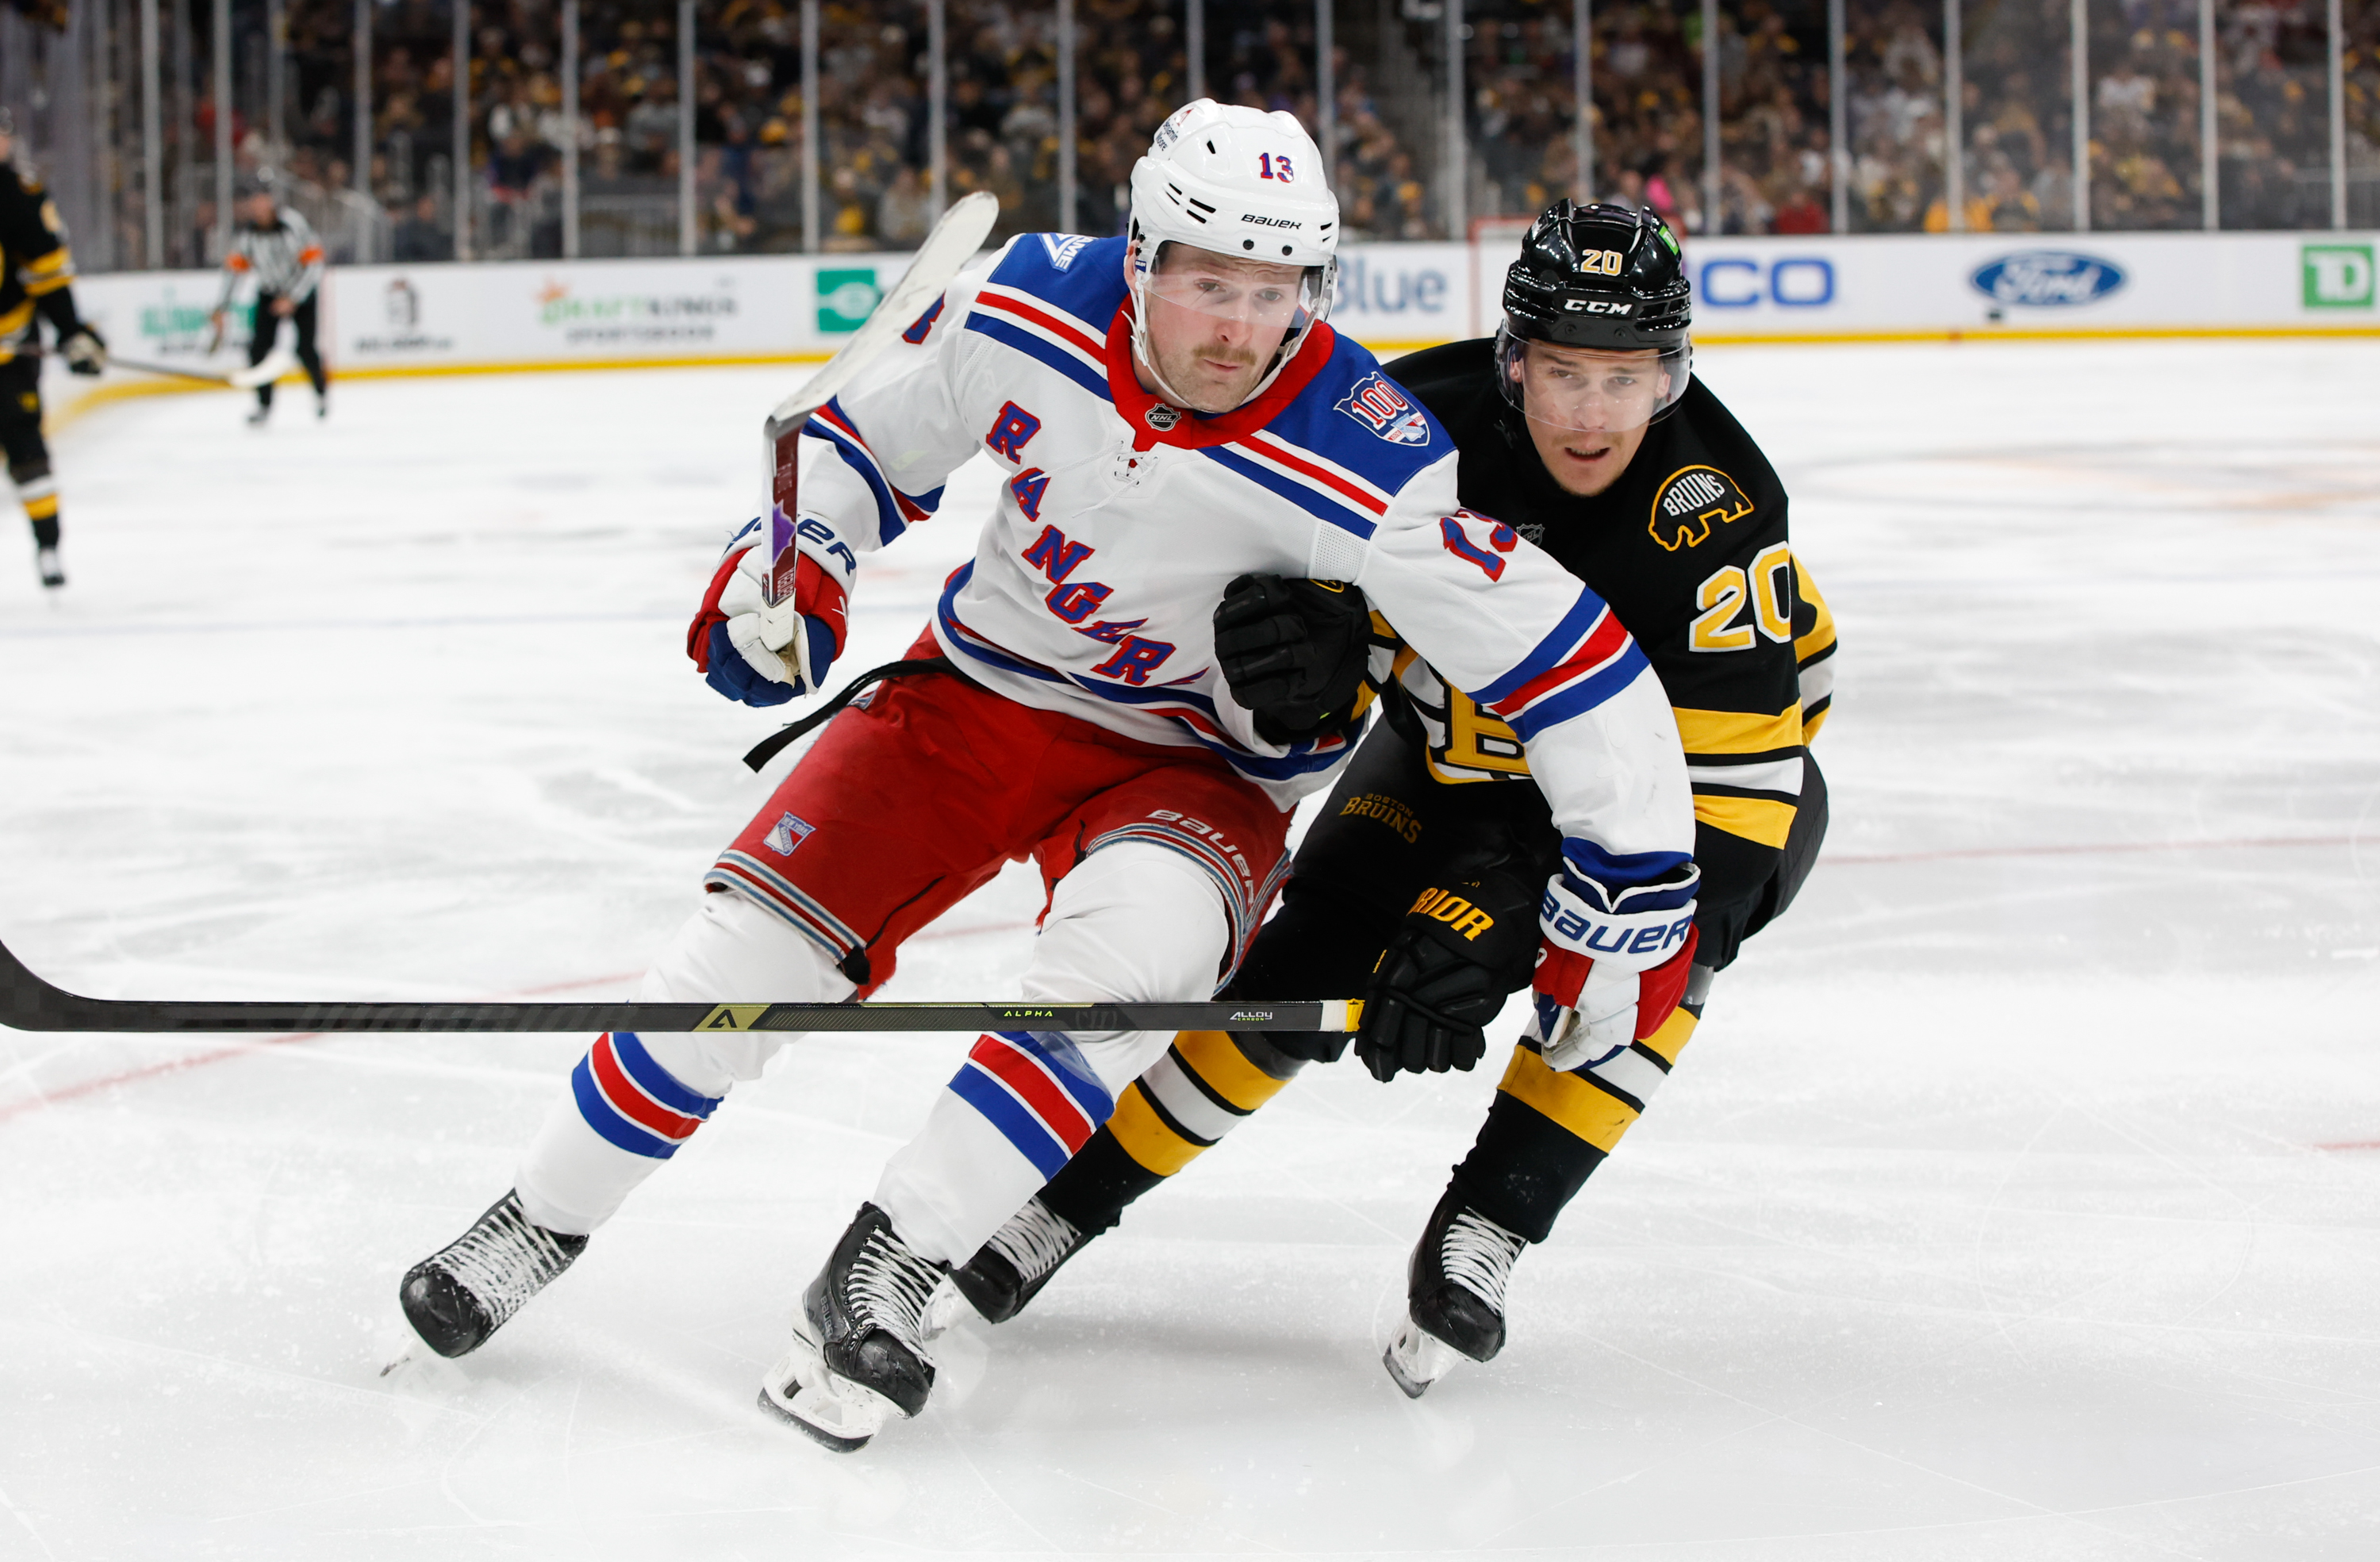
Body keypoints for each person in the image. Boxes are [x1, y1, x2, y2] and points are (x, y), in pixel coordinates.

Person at [396, 108, 1705, 1452]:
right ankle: (533, 1220)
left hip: (1197, 773)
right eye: (1208, 282)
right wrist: (792, 572)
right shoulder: (1021, 301)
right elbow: (854, 443)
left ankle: (892, 1260)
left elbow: (1579, 672)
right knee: (743, 954)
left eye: (1274, 292)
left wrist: (1629, 892)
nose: (1240, 326)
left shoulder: (1366, 448)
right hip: (979, 696)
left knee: (1119, 981)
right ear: (1139, 255)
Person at [946, 201, 1840, 1398]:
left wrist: (1514, 921)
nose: (1587, 412)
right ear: (1510, 358)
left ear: (1673, 375)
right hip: (1445, 751)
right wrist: (1303, 670)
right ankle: (1067, 1203)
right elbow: (1300, 639)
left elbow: (1729, 816)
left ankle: (1492, 1222)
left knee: (1634, 983)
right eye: (1562, 371)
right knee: (1295, 970)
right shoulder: (1411, 423)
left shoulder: (1716, 513)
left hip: (1684, 799)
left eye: (1625, 379)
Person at [0, 106, 105, 590]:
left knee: (27, 452)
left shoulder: (17, 198)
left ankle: (48, 549)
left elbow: (48, 273)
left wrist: (71, 331)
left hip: (9, 354)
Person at [210, 174, 329, 424]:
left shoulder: (294, 225)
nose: (258, 207)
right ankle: (264, 405)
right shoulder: (247, 234)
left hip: (300, 293)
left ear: (271, 202)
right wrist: (222, 308)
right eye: (253, 203)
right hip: (269, 294)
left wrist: (293, 298)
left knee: (306, 349)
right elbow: (235, 271)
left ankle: (320, 395)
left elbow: (314, 264)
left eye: (262, 201)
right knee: (258, 350)